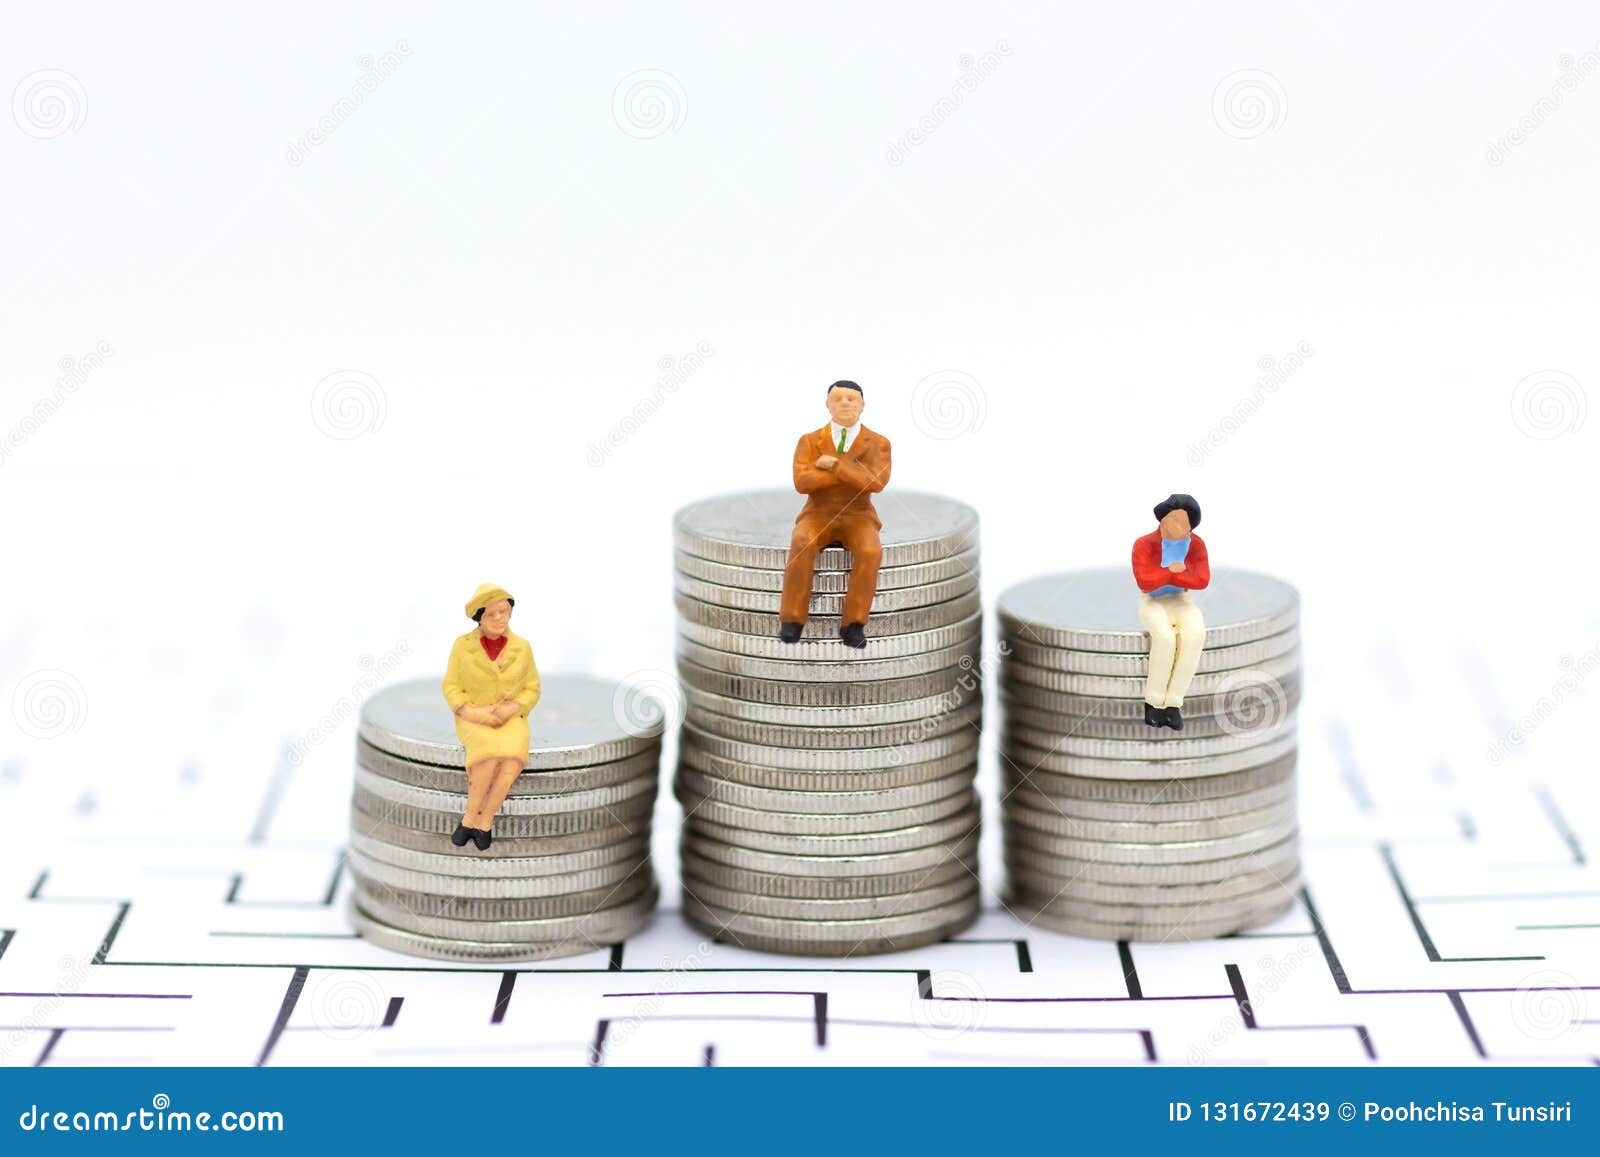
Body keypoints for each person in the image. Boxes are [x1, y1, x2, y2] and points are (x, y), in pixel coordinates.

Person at [778, 380, 892, 648]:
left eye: (851, 399)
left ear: (862, 405)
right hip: (818, 513)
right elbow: (802, 481)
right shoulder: (809, 440)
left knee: (871, 550)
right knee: (801, 542)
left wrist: (834, 466)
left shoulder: (879, 443)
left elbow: (875, 482)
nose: (844, 403)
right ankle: (792, 620)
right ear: (827, 404)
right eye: (838, 398)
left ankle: (854, 623)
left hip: (859, 515)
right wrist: (851, 474)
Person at [440, 583, 541, 850]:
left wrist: (513, 707)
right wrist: (470, 711)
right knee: (486, 759)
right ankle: (470, 816)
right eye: (492, 614)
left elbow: (532, 687)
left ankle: (482, 821)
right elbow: (451, 685)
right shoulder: (462, 647)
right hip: (474, 717)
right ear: (480, 617)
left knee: (510, 763)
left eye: (504, 612)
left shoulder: (523, 647)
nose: (499, 619)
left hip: (511, 718)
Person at [1131, 494, 1209, 731]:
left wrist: (1174, 575)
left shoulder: (1196, 544)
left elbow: (1202, 578)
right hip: (1153, 602)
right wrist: (1173, 573)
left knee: (1195, 636)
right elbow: (1145, 579)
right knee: (1164, 639)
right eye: (1176, 521)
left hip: (1181, 600)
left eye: (1186, 525)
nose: (1182, 528)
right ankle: (1153, 703)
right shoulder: (1143, 544)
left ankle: (1174, 703)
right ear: (1163, 518)